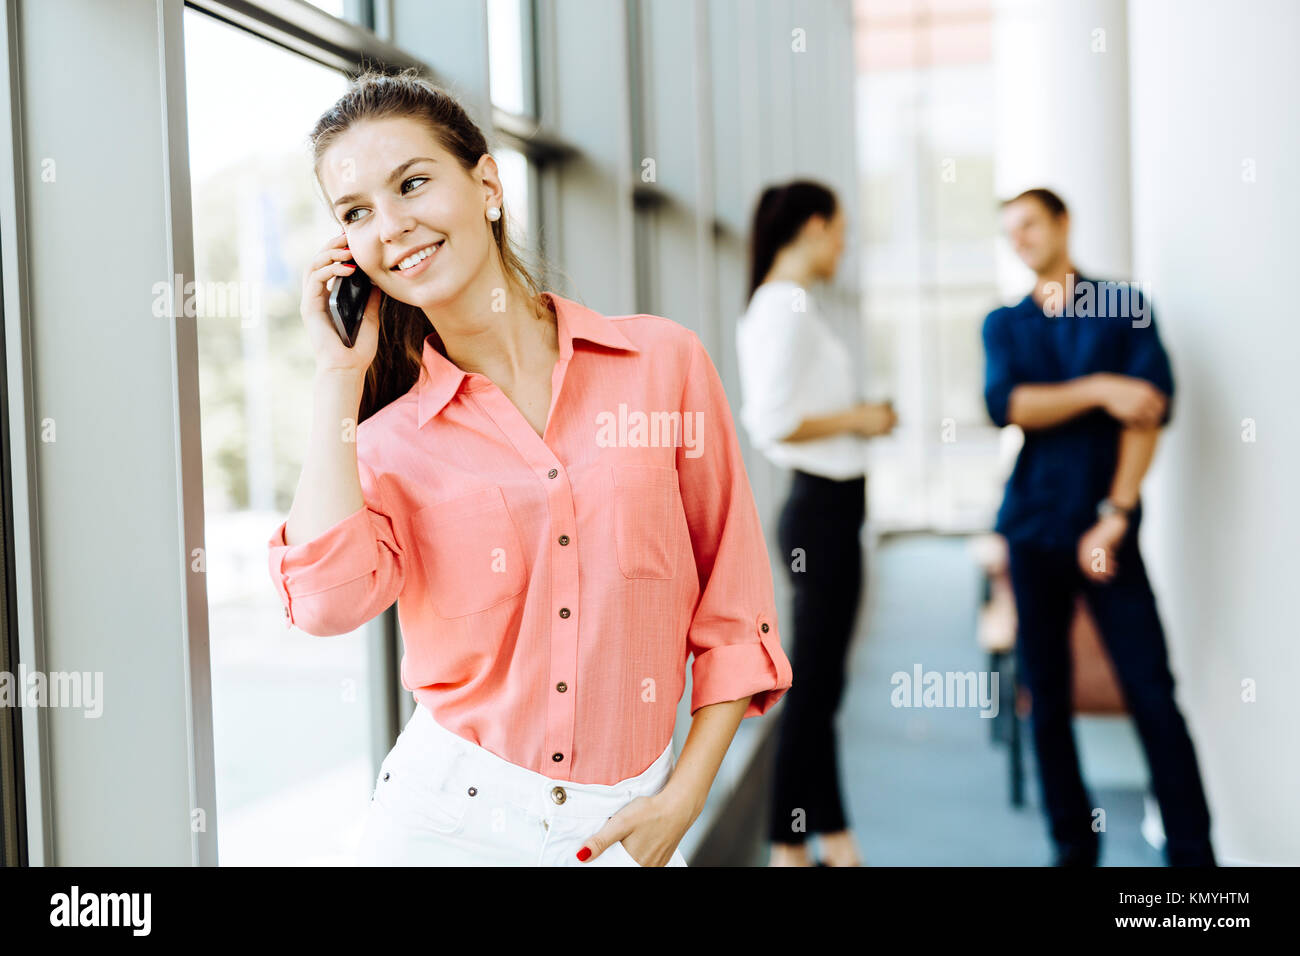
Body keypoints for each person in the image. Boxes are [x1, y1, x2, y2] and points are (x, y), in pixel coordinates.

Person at [267, 68, 792, 866]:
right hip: (441, 821)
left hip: (624, 826)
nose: (394, 225)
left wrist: (681, 802)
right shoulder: (385, 437)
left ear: (486, 183)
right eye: (358, 212)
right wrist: (338, 379)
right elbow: (326, 606)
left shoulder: (661, 364)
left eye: (413, 184)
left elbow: (736, 609)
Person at [982, 187, 1215, 867]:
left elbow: (1147, 410)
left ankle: (1194, 858)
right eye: (1009, 231)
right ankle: (1073, 849)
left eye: (1029, 223)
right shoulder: (1005, 323)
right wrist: (1098, 389)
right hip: (1031, 530)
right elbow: (1010, 404)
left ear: (1062, 223)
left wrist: (1115, 515)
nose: (1019, 238)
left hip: (1104, 534)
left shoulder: (1123, 307)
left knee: (1151, 692)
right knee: (1047, 700)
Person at [735, 181, 896, 867]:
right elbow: (770, 421)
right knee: (814, 690)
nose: (844, 245)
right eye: (840, 231)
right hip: (821, 516)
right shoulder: (786, 307)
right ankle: (787, 845)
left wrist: (854, 418)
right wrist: (860, 420)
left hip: (830, 512)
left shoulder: (790, 305)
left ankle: (829, 837)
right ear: (811, 227)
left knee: (824, 688)